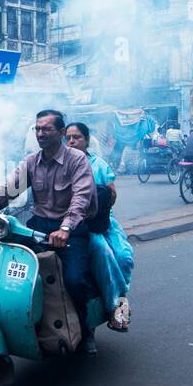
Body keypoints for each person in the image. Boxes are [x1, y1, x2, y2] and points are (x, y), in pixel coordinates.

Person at [0, 110, 99, 353]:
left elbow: (81, 198)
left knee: (75, 280)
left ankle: (85, 330)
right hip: (39, 224)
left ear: (60, 132)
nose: (40, 133)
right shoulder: (31, 161)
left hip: (71, 228)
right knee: (12, 272)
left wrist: (65, 228)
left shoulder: (77, 160)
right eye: (37, 129)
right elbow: (5, 191)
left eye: (46, 129)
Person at [65, 123, 134, 332]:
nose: (71, 141)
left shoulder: (100, 165)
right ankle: (117, 308)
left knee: (124, 257)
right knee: (103, 254)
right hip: (77, 225)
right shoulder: (61, 164)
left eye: (76, 137)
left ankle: (122, 302)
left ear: (87, 140)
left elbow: (112, 195)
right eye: (68, 137)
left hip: (103, 220)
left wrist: (98, 206)